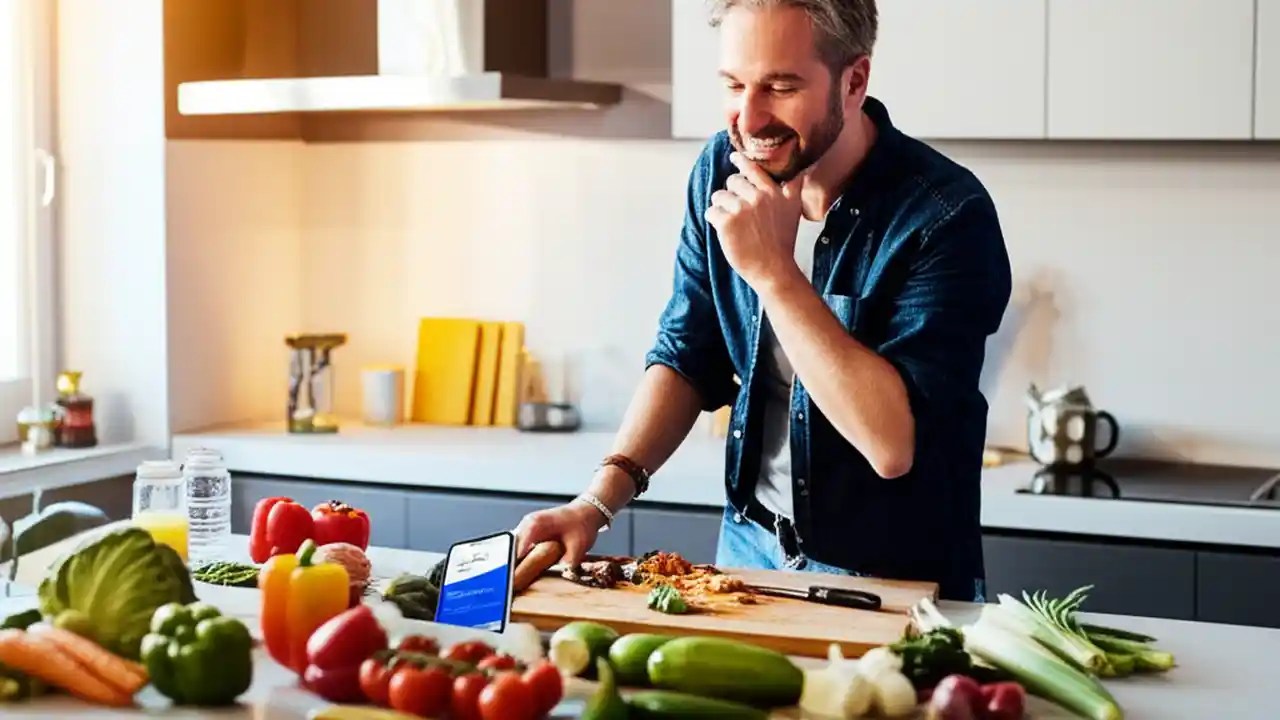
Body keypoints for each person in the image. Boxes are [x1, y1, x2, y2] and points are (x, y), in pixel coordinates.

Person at [514, 0, 1011, 602]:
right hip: (748, 550)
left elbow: (891, 445)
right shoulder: (719, 171)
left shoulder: (944, 216)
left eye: (780, 86)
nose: (749, 117)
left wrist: (774, 272)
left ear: (854, 81)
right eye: (733, 84)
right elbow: (688, 354)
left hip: (893, 576)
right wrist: (594, 504)